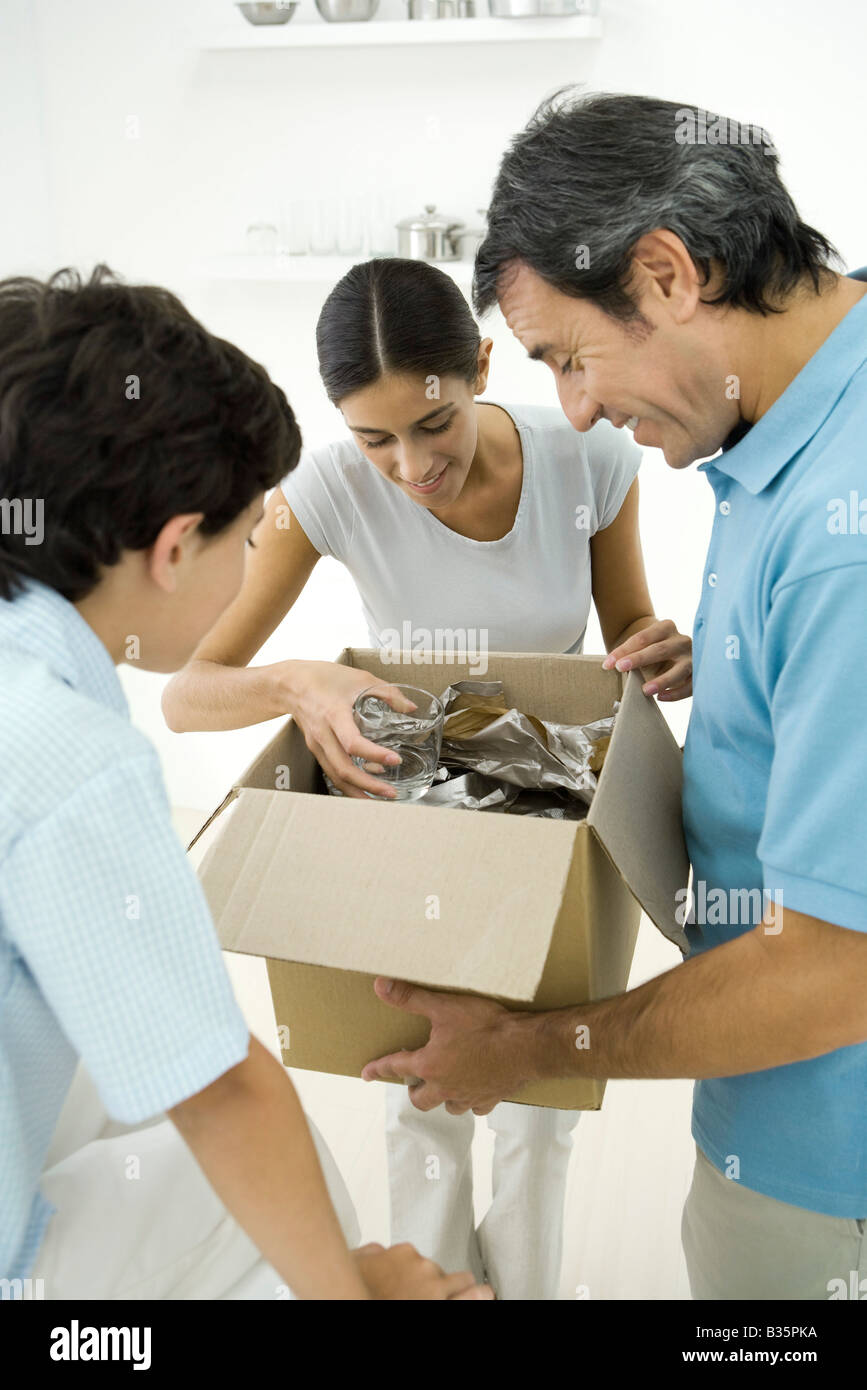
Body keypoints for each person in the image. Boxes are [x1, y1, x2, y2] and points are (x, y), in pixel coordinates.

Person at [361, 90, 867, 1301]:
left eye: (570, 359)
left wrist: (532, 1049)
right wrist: (750, 670)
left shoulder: (845, 537)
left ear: (668, 272)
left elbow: (831, 970)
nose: (577, 410)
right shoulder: (792, 435)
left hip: (823, 1154)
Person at [162, 255, 692, 1299]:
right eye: (375, 438)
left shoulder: (581, 460)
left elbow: (626, 629)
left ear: (483, 365)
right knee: (423, 1106)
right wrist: (299, 681)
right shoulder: (326, 488)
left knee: (542, 1114)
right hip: (410, 832)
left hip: (550, 831)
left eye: (434, 424)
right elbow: (189, 690)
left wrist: (656, 649)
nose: (411, 465)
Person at [0, 265, 491, 1302]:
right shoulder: (68, 754)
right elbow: (220, 1090)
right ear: (177, 547)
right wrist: (357, 1292)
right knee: (283, 1167)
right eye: (253, 530)